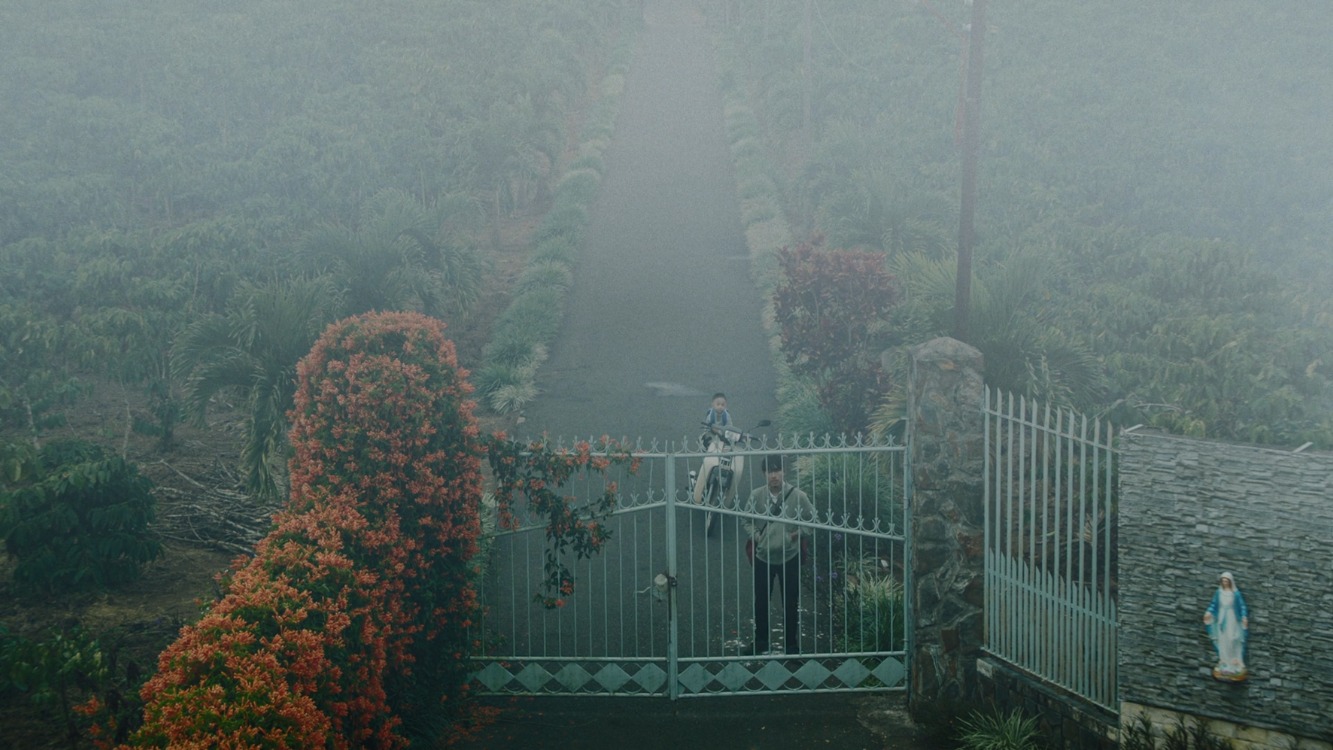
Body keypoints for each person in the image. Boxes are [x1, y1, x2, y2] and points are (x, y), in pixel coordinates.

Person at [743, 454, 815, 655]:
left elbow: (811, 521)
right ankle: (761, 642)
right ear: (764, 474)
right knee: (761, 602)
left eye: (777, 470)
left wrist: (794, 535)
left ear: (784, 471)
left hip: (788, 557)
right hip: (763, 557)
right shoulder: (756, 495)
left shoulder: (798, 496)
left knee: (791, 603)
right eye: (770, 471)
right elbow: (746, 521)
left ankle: (791, 646)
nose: (774, 475)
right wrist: (757, 537)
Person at [1203, 571, 1249, 680]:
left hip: (1232, 617)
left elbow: (1242, 606)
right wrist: (1209, 612)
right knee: (1223, 639)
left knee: (1232, 638)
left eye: (1226, 581)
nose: (1224, 583)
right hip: (1221, 617)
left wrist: (1244, 616)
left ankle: (1235, 661)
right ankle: (1225, 661)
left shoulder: (1235, 594)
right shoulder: (1219, 593)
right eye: (1223, 581)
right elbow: (1214, 605)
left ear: (1230, 582)